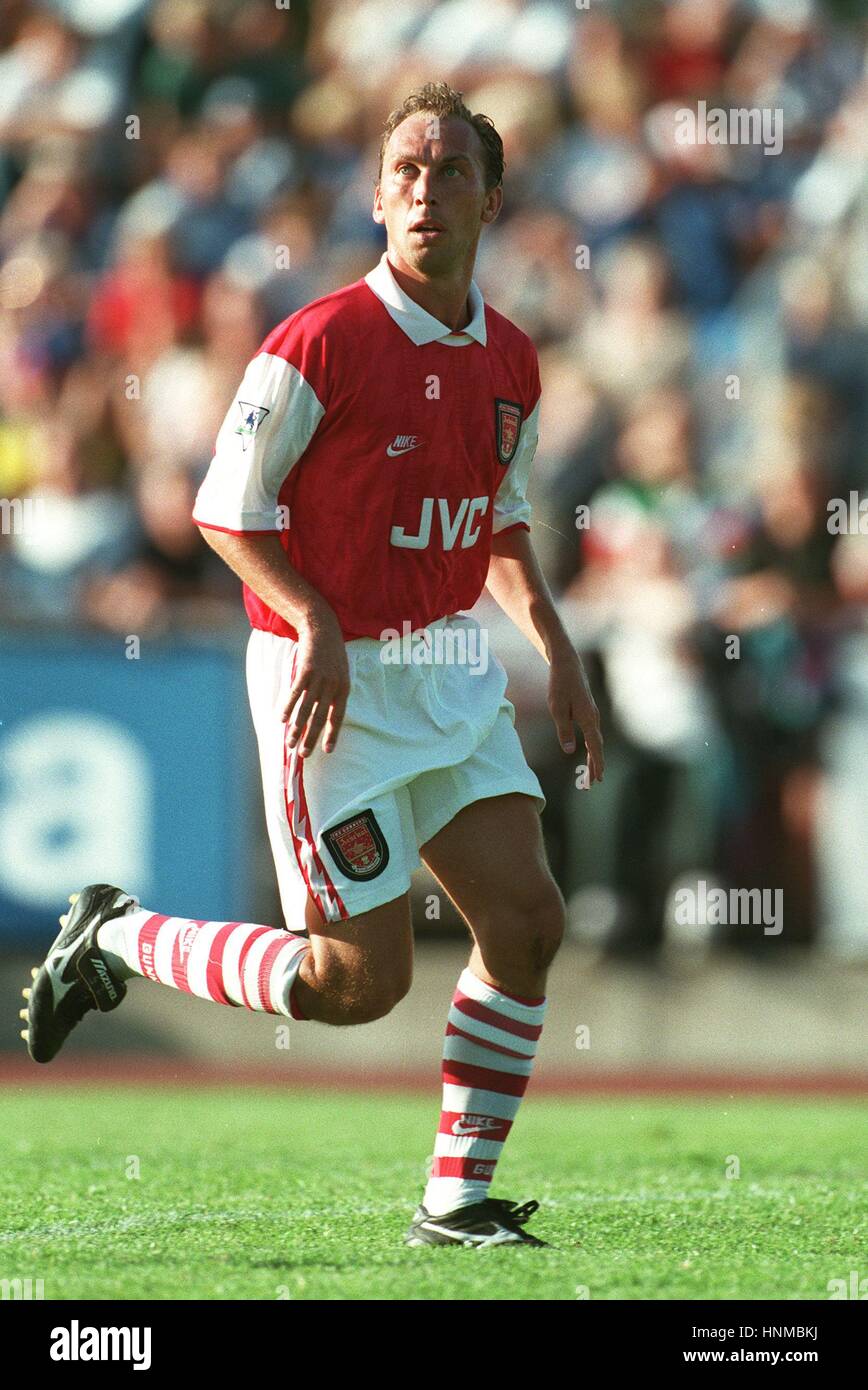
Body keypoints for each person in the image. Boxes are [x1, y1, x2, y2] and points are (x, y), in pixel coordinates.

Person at [21, 83, 603, 1249]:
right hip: (324, 684)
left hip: (446, 672)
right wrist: (316, 620)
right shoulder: (320, 339)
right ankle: (118, 934)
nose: (424, 190)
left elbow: (497, 520)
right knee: (356, 985)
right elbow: (224, 512)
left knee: (528, 922)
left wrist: (553, 642)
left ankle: (454, 1201)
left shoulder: (513, 359)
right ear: (377, 196)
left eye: (448, 171)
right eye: (403, 171)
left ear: (490, 197)